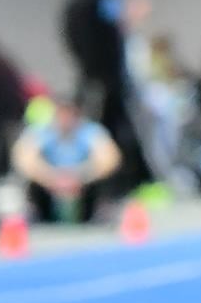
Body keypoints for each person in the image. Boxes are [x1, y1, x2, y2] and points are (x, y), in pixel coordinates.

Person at [61, 0, 149, 191]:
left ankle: (125, 185)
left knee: (121, 130)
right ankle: (100, 189)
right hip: (97, 78)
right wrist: (92, 70)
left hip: (114, 77)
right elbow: (80, 35)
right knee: (99, 134)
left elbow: (117, 30)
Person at [13, 94, 122, 224]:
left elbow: (110, 159)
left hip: (84, 186)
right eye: (62, 113)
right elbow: (23, 159)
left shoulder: (90, 131)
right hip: (48, 186)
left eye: (69, 114)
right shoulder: (41, 131)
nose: (65, 118)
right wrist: (51, 177)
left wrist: (80, 176)